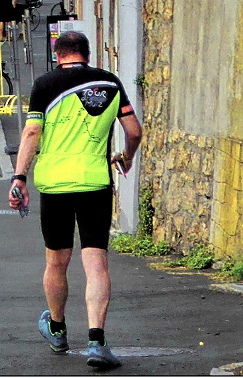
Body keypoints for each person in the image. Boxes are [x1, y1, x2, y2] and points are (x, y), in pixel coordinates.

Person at [8, 30, 143, 372]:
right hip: (95, 184)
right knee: (95, 264)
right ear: (87, 53)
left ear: (58, 55)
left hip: (54, 186)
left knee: (56, 262)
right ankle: (97, 341)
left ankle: (57, 329)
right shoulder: (109, 83)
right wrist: (126, 157)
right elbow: (134, 131)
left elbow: (32, 133)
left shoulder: (45, 84)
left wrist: (19, 177)